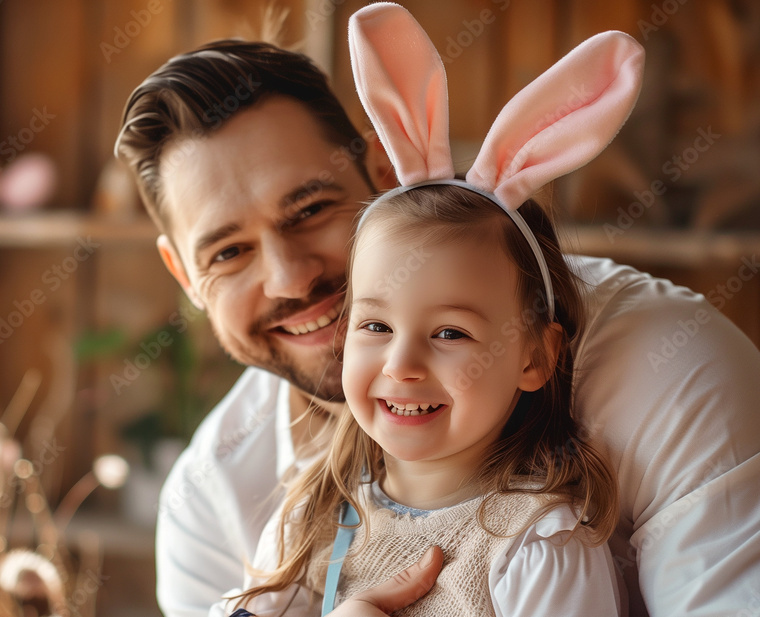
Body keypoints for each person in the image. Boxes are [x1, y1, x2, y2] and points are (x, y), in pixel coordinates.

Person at [114, 3, 760, 616]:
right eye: (228, 252)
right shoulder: (218, 498)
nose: (290, 276)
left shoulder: (670, 368)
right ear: (185, 278)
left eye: (310, 210)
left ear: (385, 171)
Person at [221, 15, 639, 616]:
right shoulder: (317, 513)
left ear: (535, 356)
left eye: (450, 332)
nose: (403, 364)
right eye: (376, 326)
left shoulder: (537, 548)